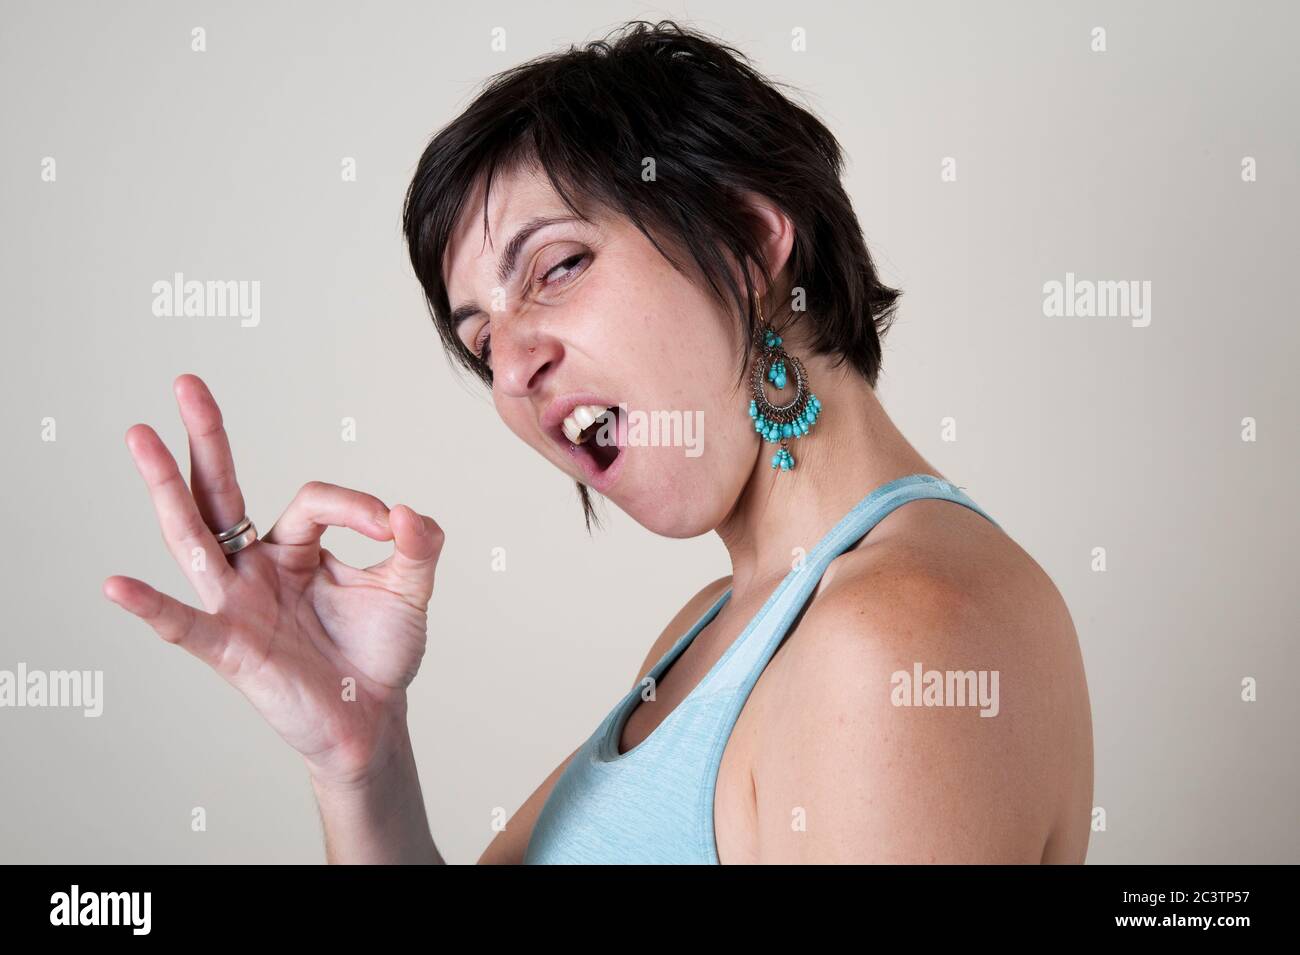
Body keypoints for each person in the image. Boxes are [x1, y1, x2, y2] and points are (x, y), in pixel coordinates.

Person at [104, 20, 1092, 864]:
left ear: (749, 243)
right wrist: (357, 756)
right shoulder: (709, 625)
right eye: (479, 339)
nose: (510, 368)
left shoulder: (904, 637)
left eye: (557, 267)